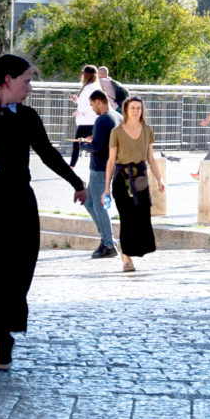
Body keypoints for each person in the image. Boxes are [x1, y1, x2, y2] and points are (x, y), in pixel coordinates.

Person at [0, 52, 87, 373]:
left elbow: (48, 153)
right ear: (8, 81)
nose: (30, 88)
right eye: (26, 81)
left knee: (13, 280)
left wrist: (77, 182)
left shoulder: (27, 117)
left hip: (17, 210)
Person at [108, 95, 163, 271]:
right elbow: (110, 161)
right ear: (125, 110)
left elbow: (151, 158)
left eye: (138, 108)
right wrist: (105, 189)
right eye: (132, 108)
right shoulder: (116, 132)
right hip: (121, 180)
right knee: (127, 219)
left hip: (140, 179)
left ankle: (135, 250)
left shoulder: (147, 130)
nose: (135, 111)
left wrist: (160, 179)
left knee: (142, 217)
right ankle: (126, 259)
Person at [83, 91, 117, 257]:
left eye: (92, 104)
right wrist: (94, 138)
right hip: (110, 167)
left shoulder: (102, 119)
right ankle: (105, 238)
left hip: (100, 168)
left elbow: (96, 147)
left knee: (99, 205)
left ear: (98, 101)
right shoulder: (117, 117)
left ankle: (109, 244)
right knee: (89, 203)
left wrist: (83, 144)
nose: (92, 108)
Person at [70, 65, 99, 162]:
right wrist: (77, 101)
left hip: (87, 121)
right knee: (82, 145)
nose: (81, 75)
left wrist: (79, 110)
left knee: (77, 145)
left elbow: (94, 104)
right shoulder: (92, 87)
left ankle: (71, 167)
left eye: (83, 73)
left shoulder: (90, 87)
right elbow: (86, 104)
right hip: (88, 120)